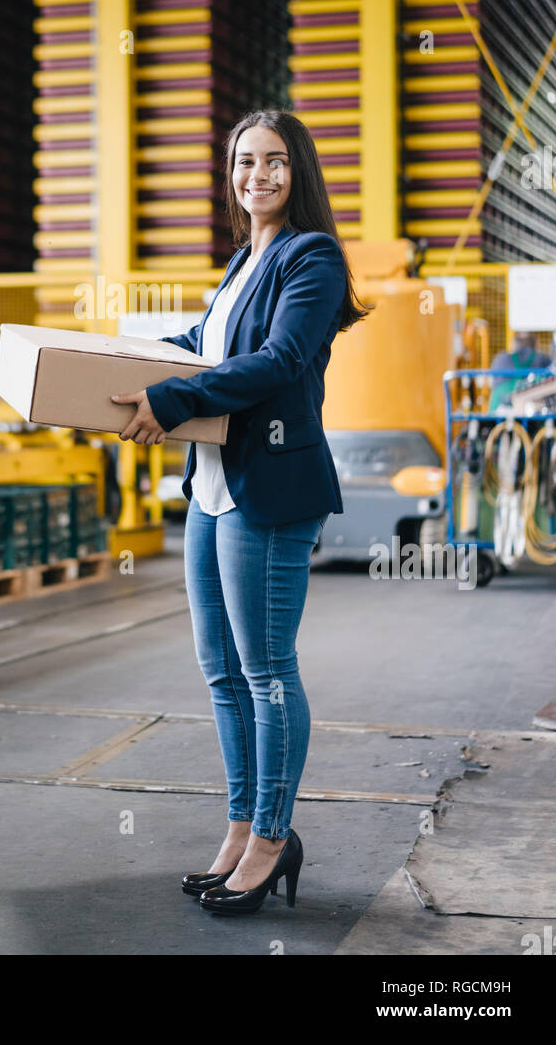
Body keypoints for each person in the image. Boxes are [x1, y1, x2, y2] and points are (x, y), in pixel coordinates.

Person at [111, 109, 367, 915]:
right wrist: (119, 365)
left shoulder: (311, 257)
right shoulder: (241, 259)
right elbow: (203, 342)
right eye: (242, 161)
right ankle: (237, 829)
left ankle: (270, 837)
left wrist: (173, 393)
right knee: (222, 674)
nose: (255, 175)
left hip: (270, 488)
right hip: (213, 486)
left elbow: (278, 359)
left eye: (273, 162)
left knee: (266, 673)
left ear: (299, 172)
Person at [488, 331, 553, 411]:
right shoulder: (542, 359)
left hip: (498, 407)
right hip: (529, 409)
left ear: (514, 343)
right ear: (536, 343)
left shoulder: (500, 358)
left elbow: (491, 382)